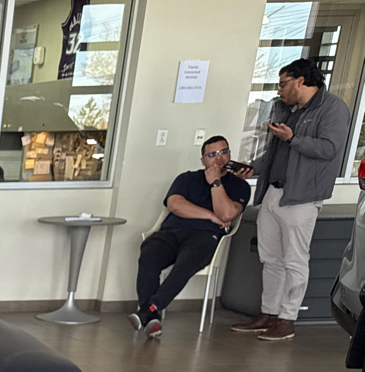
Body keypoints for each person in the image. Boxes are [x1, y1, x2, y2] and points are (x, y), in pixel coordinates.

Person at [232, 58, 353, 341]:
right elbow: (278, 151)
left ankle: (287, 320)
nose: (280, 89)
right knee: (271, 258)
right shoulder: (287, 110)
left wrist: (293, 138)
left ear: (301, 81)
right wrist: (253, 168)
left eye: (284, 83)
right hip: (274, 192)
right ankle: (268, 314)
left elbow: (329, 149)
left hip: (302, 197)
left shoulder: (332, 108)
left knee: (295, 260)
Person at [132, 135, 251, 337]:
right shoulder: (187, 179)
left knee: (187, 262)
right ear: (203, 160)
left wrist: (215, 184)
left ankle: (149, 310)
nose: (218, 159)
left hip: (205, 237)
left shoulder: (239, 186)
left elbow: (228, 214)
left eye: (224, 152)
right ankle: (151, 315)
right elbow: (174, 205)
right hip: (172, 232)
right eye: (211, 155)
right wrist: (211, 216)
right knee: (149, 252)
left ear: (230, 154)